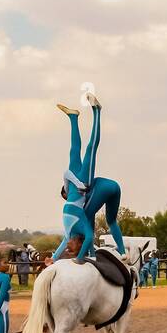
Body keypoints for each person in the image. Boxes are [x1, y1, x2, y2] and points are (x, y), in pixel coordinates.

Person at [50, 95, 127, 264]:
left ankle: (96, 111)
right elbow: (66, 174)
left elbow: (67, 174)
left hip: (84, 180)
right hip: (83, 179)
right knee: (76, 149)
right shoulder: (71, 192)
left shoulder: (73, 194)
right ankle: (73, 117)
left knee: (90, 148)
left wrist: (77, 184)